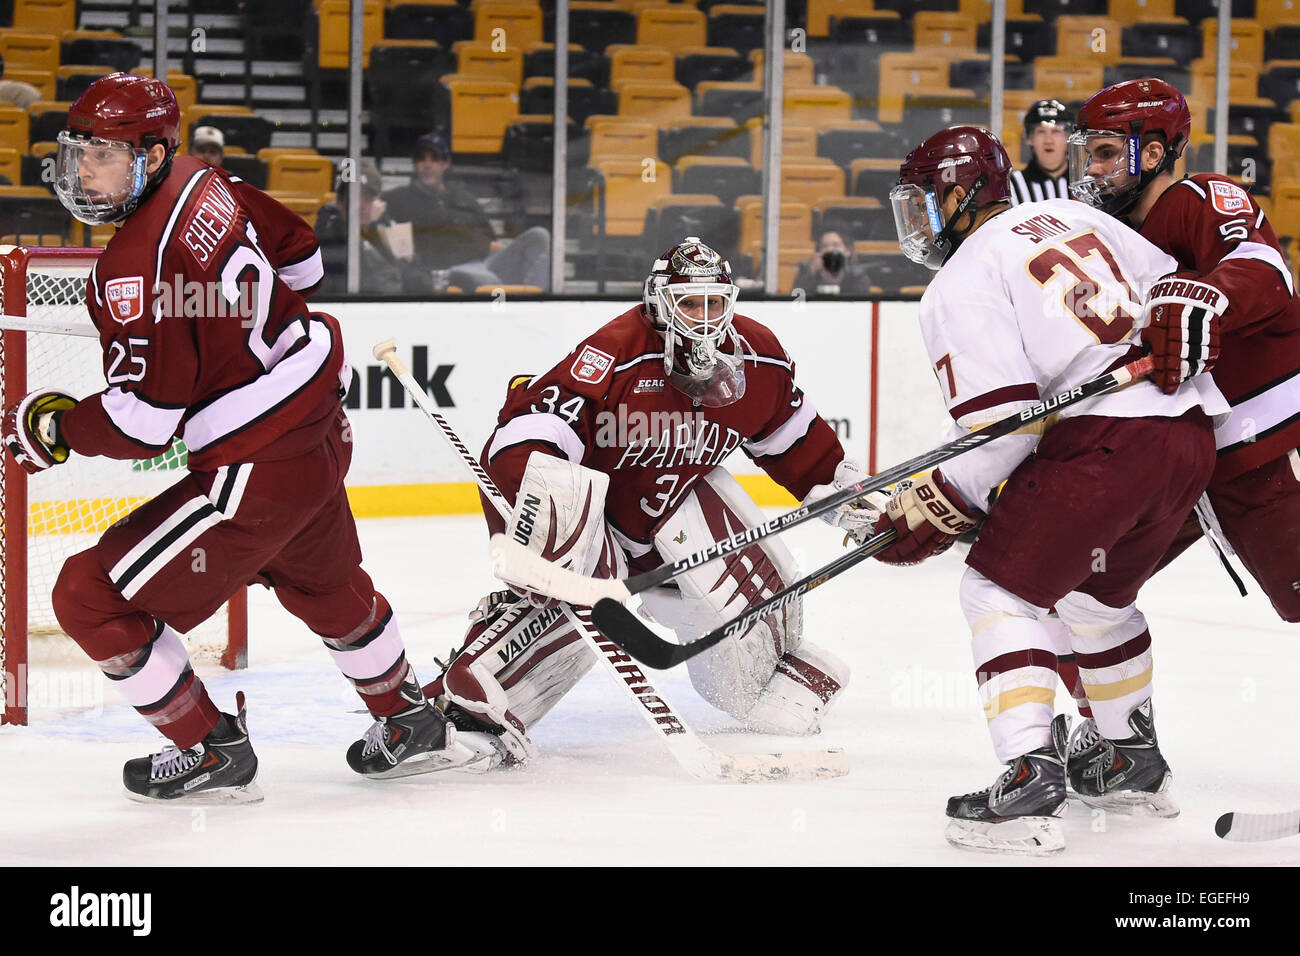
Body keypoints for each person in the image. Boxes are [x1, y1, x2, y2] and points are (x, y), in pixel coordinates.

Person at [0, 73, 483, 803]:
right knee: (323, 584)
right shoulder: (204, 177)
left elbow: (144, 423)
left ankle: (209, 746)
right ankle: (407, 716)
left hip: (253, 465)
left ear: (152, 157)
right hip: (318, 424)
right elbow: (304, 261)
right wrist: (219, 332)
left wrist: (59, 428)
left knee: (88, 595)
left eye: (103, 155)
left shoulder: (131, 269)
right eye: (79, 153)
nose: (83, 173)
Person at [880, 126, 1227, 854]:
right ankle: (1131, 760)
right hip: (1189, 434)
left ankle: (1030, 776)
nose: (918, 221)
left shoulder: (961, 279)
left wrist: (939, 499)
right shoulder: (1085, 217)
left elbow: (1004, 432)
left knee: (996, 593)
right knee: (1095, 597)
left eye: (924, 202)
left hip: (1107, 446)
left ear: (959, 193)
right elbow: (1175, 290)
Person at [422, 237, 867, 766]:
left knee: (749, 692)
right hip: (600, 532)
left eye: (715, 303)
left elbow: (797, 445)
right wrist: (538, 524)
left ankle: (776, 666)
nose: (704, 319)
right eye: (689, 304)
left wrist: (854, 502)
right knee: (573, 569)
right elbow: (524, 438)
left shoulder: (759, 359)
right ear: (660, 302)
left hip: (675, 527)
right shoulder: (613, 354)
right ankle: (472, 709)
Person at [1064, 76, 1300, 767]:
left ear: (1159, 151)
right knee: (1079, 585)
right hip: (1180, 463)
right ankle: (1120, 748)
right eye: (1091, 155)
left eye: (1108, 153)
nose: (1095, 169)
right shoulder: (1107, 236)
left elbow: (1263, 267)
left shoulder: (1201, 197)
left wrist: (1209, 292)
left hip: (1262, 447)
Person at [382, 132, 551, 292]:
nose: (427, 164)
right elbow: (384, 233)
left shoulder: (463, 197)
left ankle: (537, 303)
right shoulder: (398, 199)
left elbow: (492, 243)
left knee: (539, 236)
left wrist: (488, 248)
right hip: (447, 272)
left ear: (445, 164)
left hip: (483, 264)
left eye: (434, 158)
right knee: (487, 281)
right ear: (415, 165)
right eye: (421, 159)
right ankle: (506, 304)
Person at [315, 163, 429, 294]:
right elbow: (378, 286)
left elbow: (424, 284)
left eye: (368, 197)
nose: (361, 205)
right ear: (340, 202)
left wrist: (408, 260)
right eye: (355, 197)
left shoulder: (382, 234)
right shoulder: (329, 240)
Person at [1008, 99, 1073, 205]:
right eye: (1041, 132)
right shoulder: (1011, 186)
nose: (1048, 140)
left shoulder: (1086, 184)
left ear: (1069, 137)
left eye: (1056, 131)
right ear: (1030, 138)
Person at [791, 230, 873, 294]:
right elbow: (797, 304)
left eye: (836, 245)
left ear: (847, 251)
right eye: (824, 246)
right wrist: (810, 275)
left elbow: (860, 306)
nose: (829, 250)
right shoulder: (805, 270)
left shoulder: (857, 274)